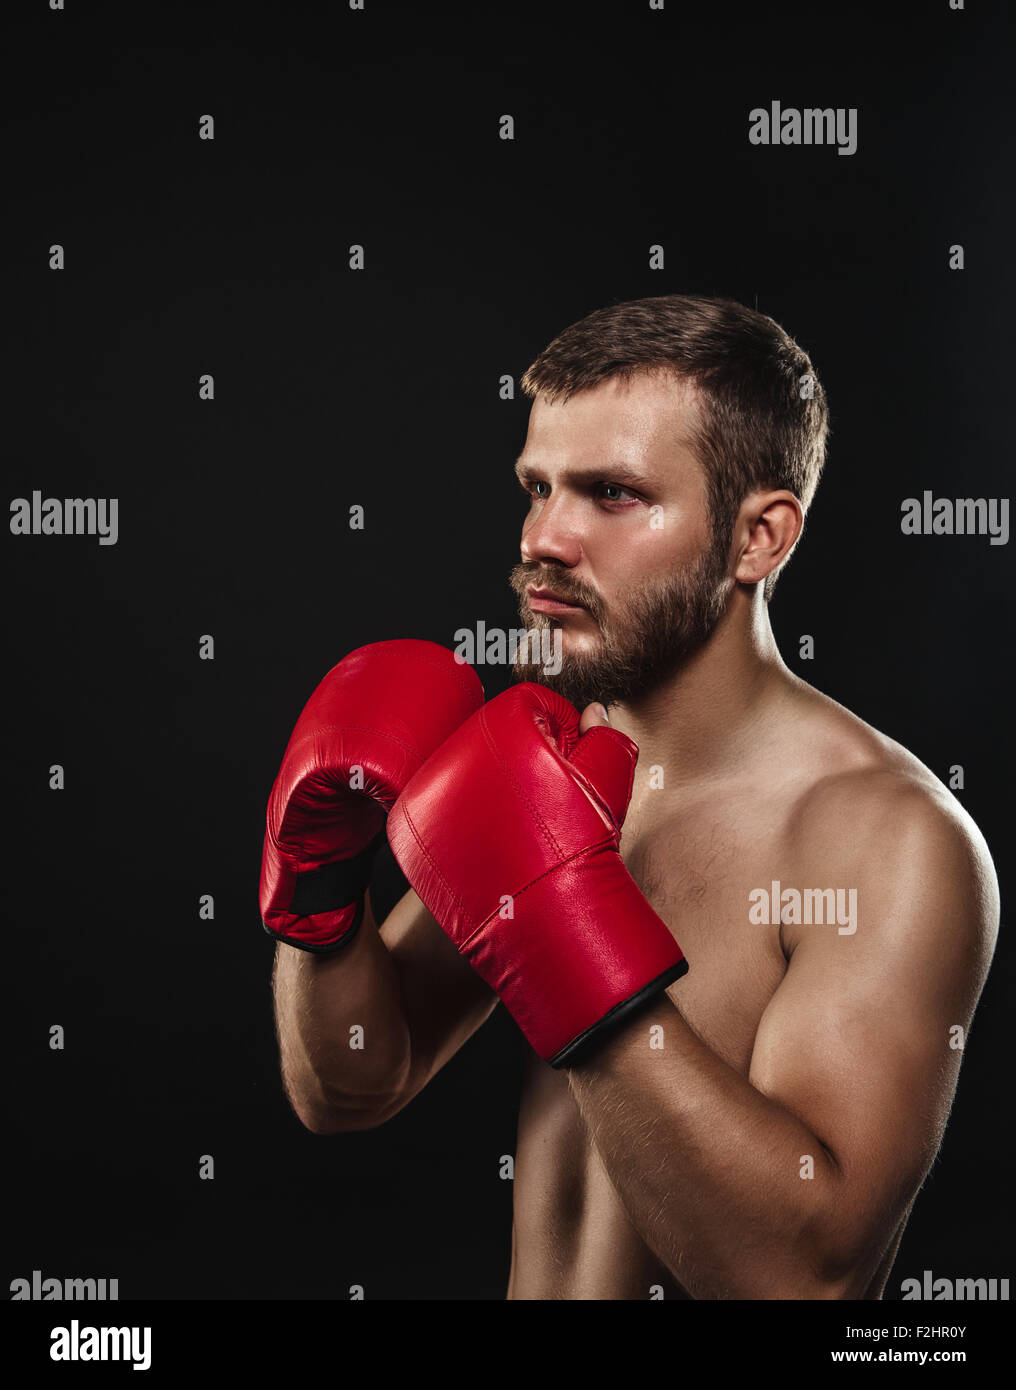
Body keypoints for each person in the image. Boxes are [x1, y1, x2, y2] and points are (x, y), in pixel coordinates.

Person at [264, 295, 998, 1300]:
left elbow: (801, 1279)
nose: (546, 539)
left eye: (610, 493)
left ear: (758, 539)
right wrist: (318, 894)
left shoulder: (880, 838)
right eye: (537, 486)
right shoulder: (548, 762)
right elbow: (350, 1082)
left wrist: (564, 937)